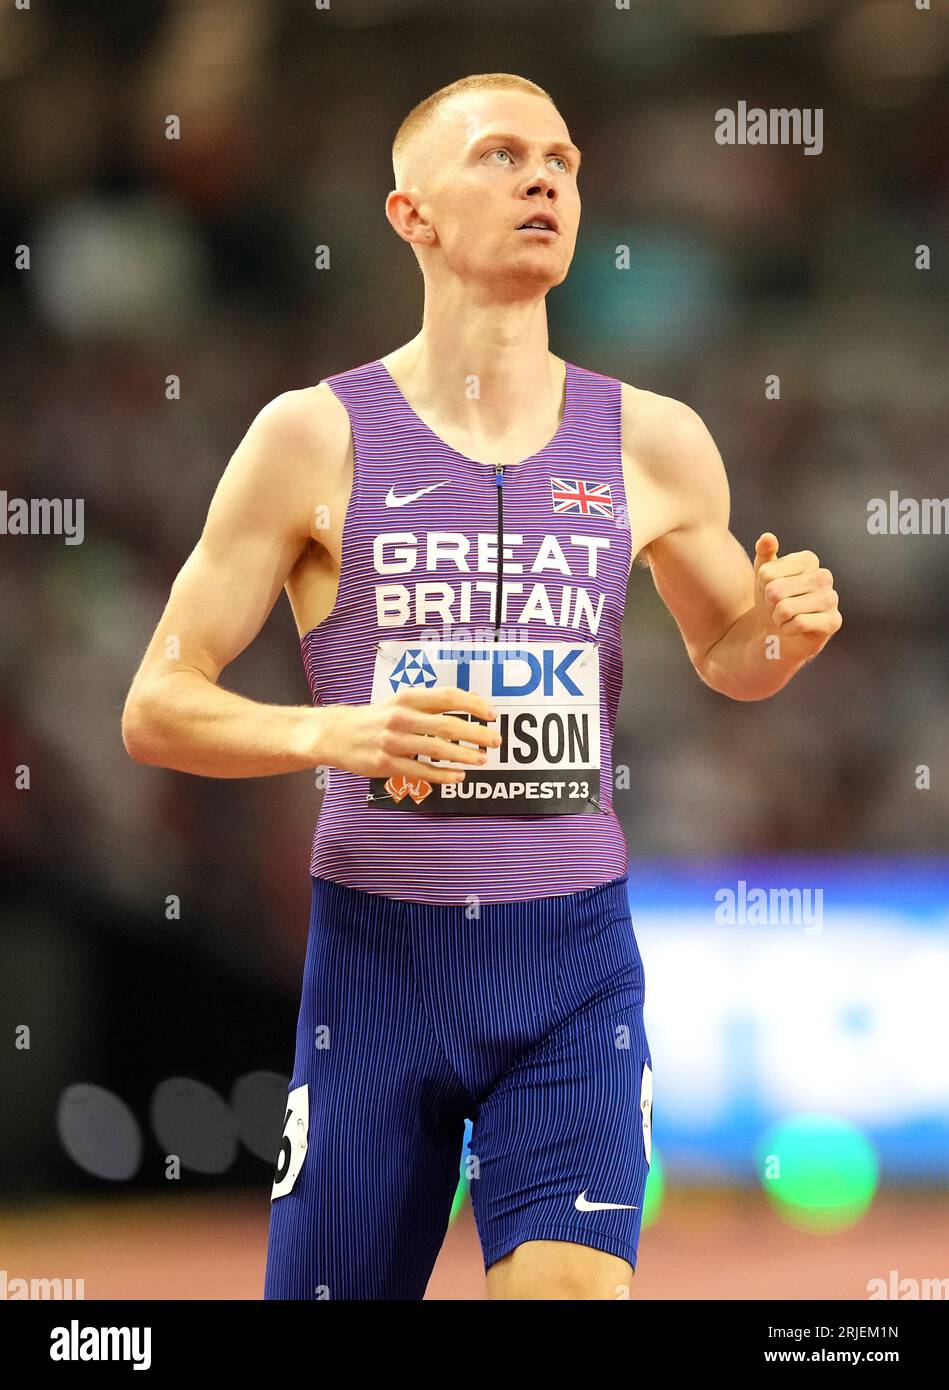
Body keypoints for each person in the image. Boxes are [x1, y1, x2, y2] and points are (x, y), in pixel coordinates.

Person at [121, 72, 842, 1300]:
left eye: (560, 158)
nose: (544, 178)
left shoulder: (652, 438)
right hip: (377, 971)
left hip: (574, 968)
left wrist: (784, 633)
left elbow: (735, 657)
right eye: (502, 156)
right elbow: (156, 705)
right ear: (411, 215)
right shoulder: (312, 436)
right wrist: (333, 729)